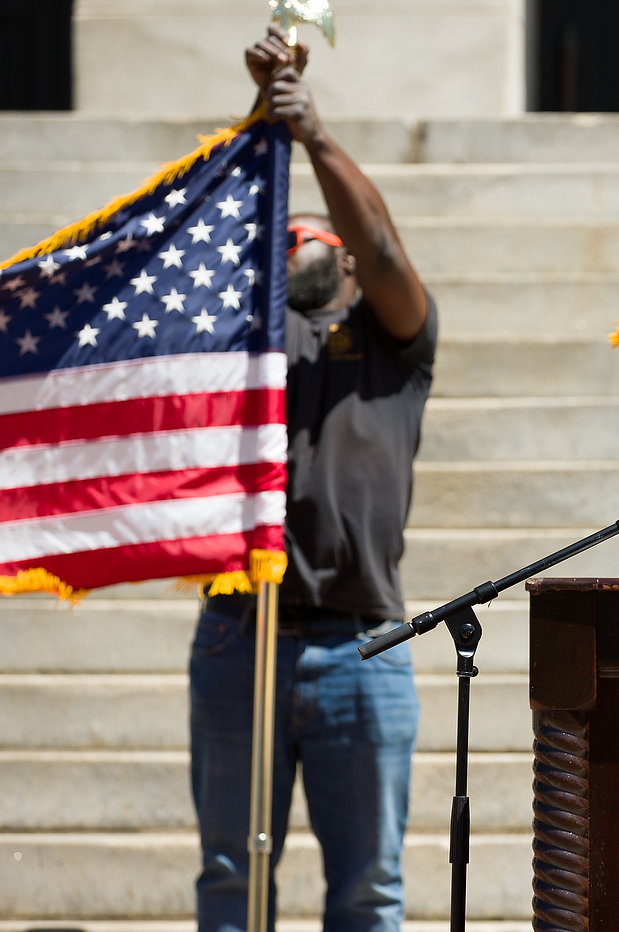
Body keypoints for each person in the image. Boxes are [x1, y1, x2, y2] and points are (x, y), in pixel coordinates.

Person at [188, 26, 435, 932]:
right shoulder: (238, 340)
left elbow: (381, 244)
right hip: (237, 639)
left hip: (361, 646)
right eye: (284, 229)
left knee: (367, 892)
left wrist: (316, 137)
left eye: (316, 227)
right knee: (230, 881)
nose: (300, 236)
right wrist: (265, 115)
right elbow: (220, 231)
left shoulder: (395, 340)